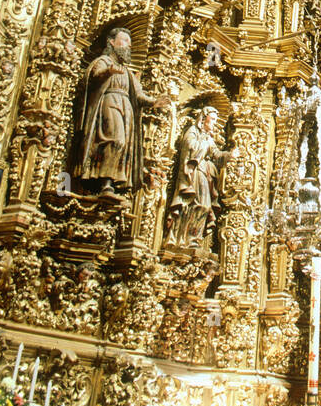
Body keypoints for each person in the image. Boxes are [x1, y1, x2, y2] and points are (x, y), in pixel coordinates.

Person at [73, 27, 149, 196]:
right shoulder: (104, 61)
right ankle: (101, 180)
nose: (128, 46)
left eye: (130, 44)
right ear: (112, 42)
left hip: (125, 109)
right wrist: (108, 72)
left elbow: (139, 95)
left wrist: (155, 102)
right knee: (116, 140)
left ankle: (110, 182)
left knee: (123, 145)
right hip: (108, 103)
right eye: (124, 41)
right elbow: (93, 77)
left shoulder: (128, 72)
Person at [164, 106, 238, 250]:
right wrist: (204, 143)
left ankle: (194, 238)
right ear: (203, 118)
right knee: (191, 203)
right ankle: (181, 238)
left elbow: (216, 155)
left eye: (216, 120)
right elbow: (189, 146)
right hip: (192, 172)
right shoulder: (193, 132)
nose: (215, 122)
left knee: (204, 206)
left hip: (204, 172)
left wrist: (230, 154)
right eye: (213, 119)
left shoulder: (208, 138)